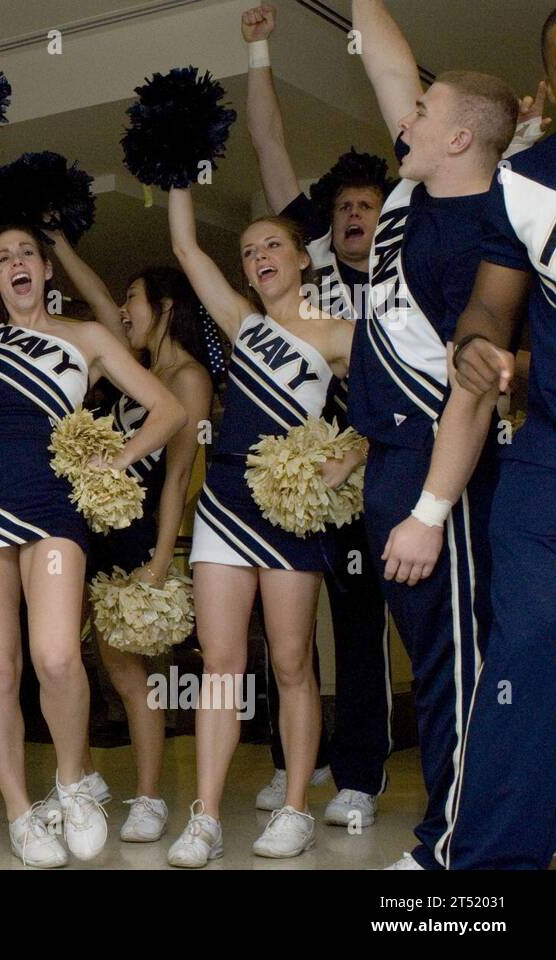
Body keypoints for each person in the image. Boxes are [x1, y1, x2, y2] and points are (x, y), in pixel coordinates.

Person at [0, 161, 185, 868]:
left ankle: (73, 780)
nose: (14, 263)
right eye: (1, 258)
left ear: (47, 270)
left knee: (54, 654)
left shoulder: (87, 339)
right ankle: (20, 810)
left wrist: (115, 458)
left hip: (53, 509)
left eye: (26, 254)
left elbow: (169, 411)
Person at [344, 0, 517, 871]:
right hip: (392, 461)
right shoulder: (417, 188)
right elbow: (385, 65)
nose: (405, 115)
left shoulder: (484, 236)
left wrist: (428, 509)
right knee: (436, 659)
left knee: (458, 672)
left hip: (438, 473)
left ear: (461, 140)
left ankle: (451, 852)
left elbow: (473, 396)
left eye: (426, 110)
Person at [163, 178, 360, 866]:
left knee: (291, 661)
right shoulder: (244, 325)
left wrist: (346, 459)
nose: (260, 257)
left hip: (288, 506)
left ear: (303, 257)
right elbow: (185, 247)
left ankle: (297, 808)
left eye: (273, 244)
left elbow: (389, 404)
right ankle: (206, 816)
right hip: (224, 499)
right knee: (219, 662)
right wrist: (178, 169)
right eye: (249, 252)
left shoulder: (339, 333)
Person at [401, 12, 556, 871]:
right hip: (547, 455)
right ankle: (487, 879)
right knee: (526, 642)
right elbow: (493, 303)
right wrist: (477, 343)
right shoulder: (528, 181)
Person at [241, 3, 394, 826]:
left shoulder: (407, 277)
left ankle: (360, 779)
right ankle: (290, 761)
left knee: (361, 624)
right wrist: (260, 52)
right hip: (295, 475)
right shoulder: (308, 269)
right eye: (343, 208)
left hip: (372, 470)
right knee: (282, 619)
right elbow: (269, 149)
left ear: (387, 216)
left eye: (367, 206)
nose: (353, 216)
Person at [48, 240, 222, 845]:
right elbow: (98, 303)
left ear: (165, 307)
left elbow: (177, 475)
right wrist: (60, 244)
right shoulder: (136, 368)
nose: (123, 310)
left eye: (134, 300)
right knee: (68, 659)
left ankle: (148, 797)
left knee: (127, 673)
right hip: (89, 527)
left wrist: (157, 557)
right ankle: (85, 777)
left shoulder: (190, 379)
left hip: (136, 533)